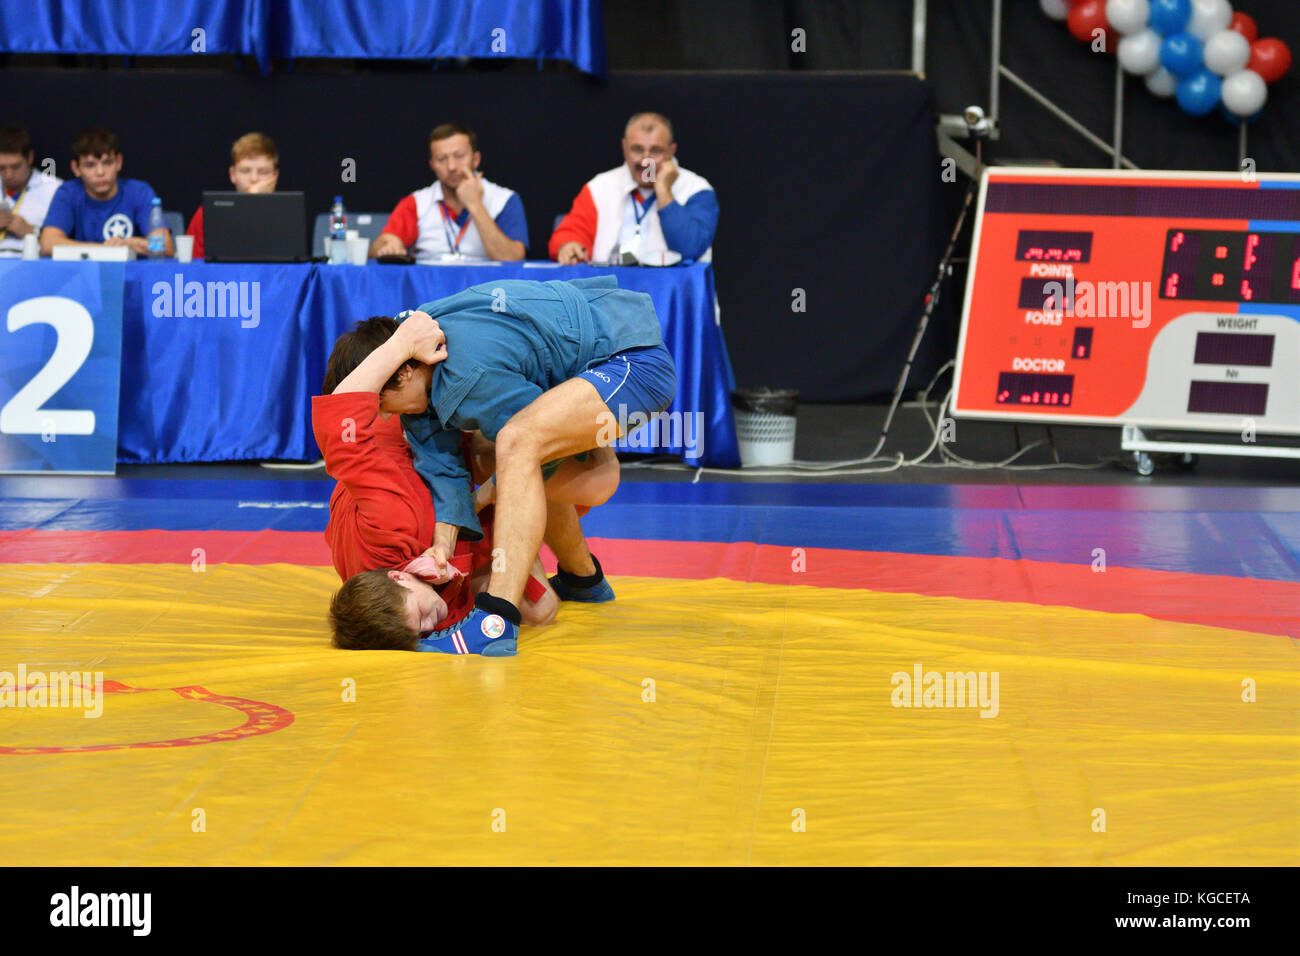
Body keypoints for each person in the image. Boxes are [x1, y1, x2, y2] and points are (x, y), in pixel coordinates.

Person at [393, 276, 676, 655]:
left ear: (404, 375)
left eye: (385, 406)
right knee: (511, 450)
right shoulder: (416, 351)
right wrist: (443, 544)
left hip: (632, 362)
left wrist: (485, 497)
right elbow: (444, 470)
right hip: (588, 364)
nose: (388, 417)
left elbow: (529, 449)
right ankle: (582, 579)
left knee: (517, 444)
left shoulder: (464, 374)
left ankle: (495, 622)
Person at [313, 313, 620, 654]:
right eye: (422, 632)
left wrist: (399, 346)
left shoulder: (391, 521)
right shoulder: (396, 615)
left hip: (409, 439)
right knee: (540, 609)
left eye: (421, 618)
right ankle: (569, 567)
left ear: (398, 577)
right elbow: (430, 614)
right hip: (419, 483)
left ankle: (583, 576)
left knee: (594, 477)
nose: (430, 625)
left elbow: (338, 434)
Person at [549, 112, 717, 265]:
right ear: (624, 147)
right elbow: (570, 233)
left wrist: (664, 191)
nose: (645, 161)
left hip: (672, 294)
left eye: (655, 151)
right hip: (611, 291)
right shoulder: (599, 187)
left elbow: (691, 249)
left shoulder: (697, 189)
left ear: (671, 151)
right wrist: (569, 245)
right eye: (637, 150)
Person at [370, 123, 528, 262]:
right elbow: (378, 247)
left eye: (459, 156)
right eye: (441, 159)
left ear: (476, 159)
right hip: (431, 291)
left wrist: (475, 205)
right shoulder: (417, 202)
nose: (451, 166)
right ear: (432, 164)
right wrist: (388, 245)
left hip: (487, 292)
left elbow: (512, 258)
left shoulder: (505, 200)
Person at [39, 126, 173, 257]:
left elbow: (166, 247)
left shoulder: (139, 191)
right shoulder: (68, 193)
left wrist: (130, 244)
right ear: (76, 168)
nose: (100, 172)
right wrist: (109, 251)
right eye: (90, 165)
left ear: (119, 162)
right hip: (84, 275)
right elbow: (47, 244)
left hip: (132, 275)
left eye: (107, 162)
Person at [185, 132, 279, 259]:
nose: (254, 178)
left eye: (263, 172)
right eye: (245, 171)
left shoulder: (289, 214)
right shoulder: (208, 213)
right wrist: (252, 199)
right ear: (233, 175)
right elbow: (192, 268)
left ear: (275, 176)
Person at [0, 125, 63, 257]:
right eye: (2, 168)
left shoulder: (55, 189)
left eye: (16, 166)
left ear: (30, 157)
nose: (9, 174)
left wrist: (30, 231)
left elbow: (68, 244)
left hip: (35, 267)